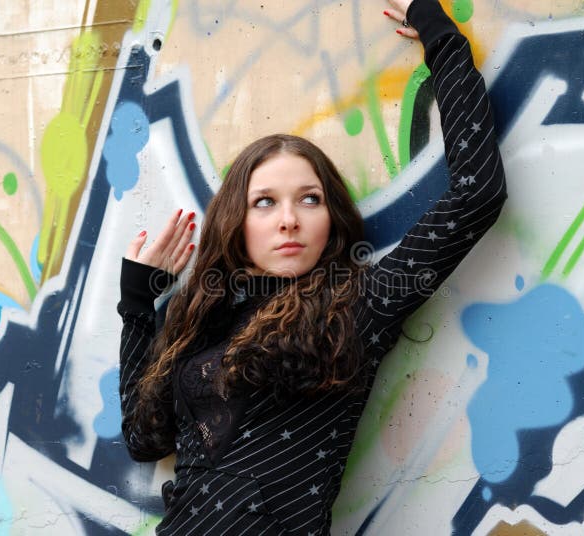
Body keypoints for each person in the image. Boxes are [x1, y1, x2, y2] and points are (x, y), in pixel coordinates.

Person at [117, 0, 507, 533]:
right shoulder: (201, 318)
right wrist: (138, 302)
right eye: (265, 202)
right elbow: (144, 439)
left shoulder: (359, 304)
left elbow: (475, 194)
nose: (288, 220)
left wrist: (441, 41)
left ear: (332, 218)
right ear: (237, 220)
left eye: (309, 199)